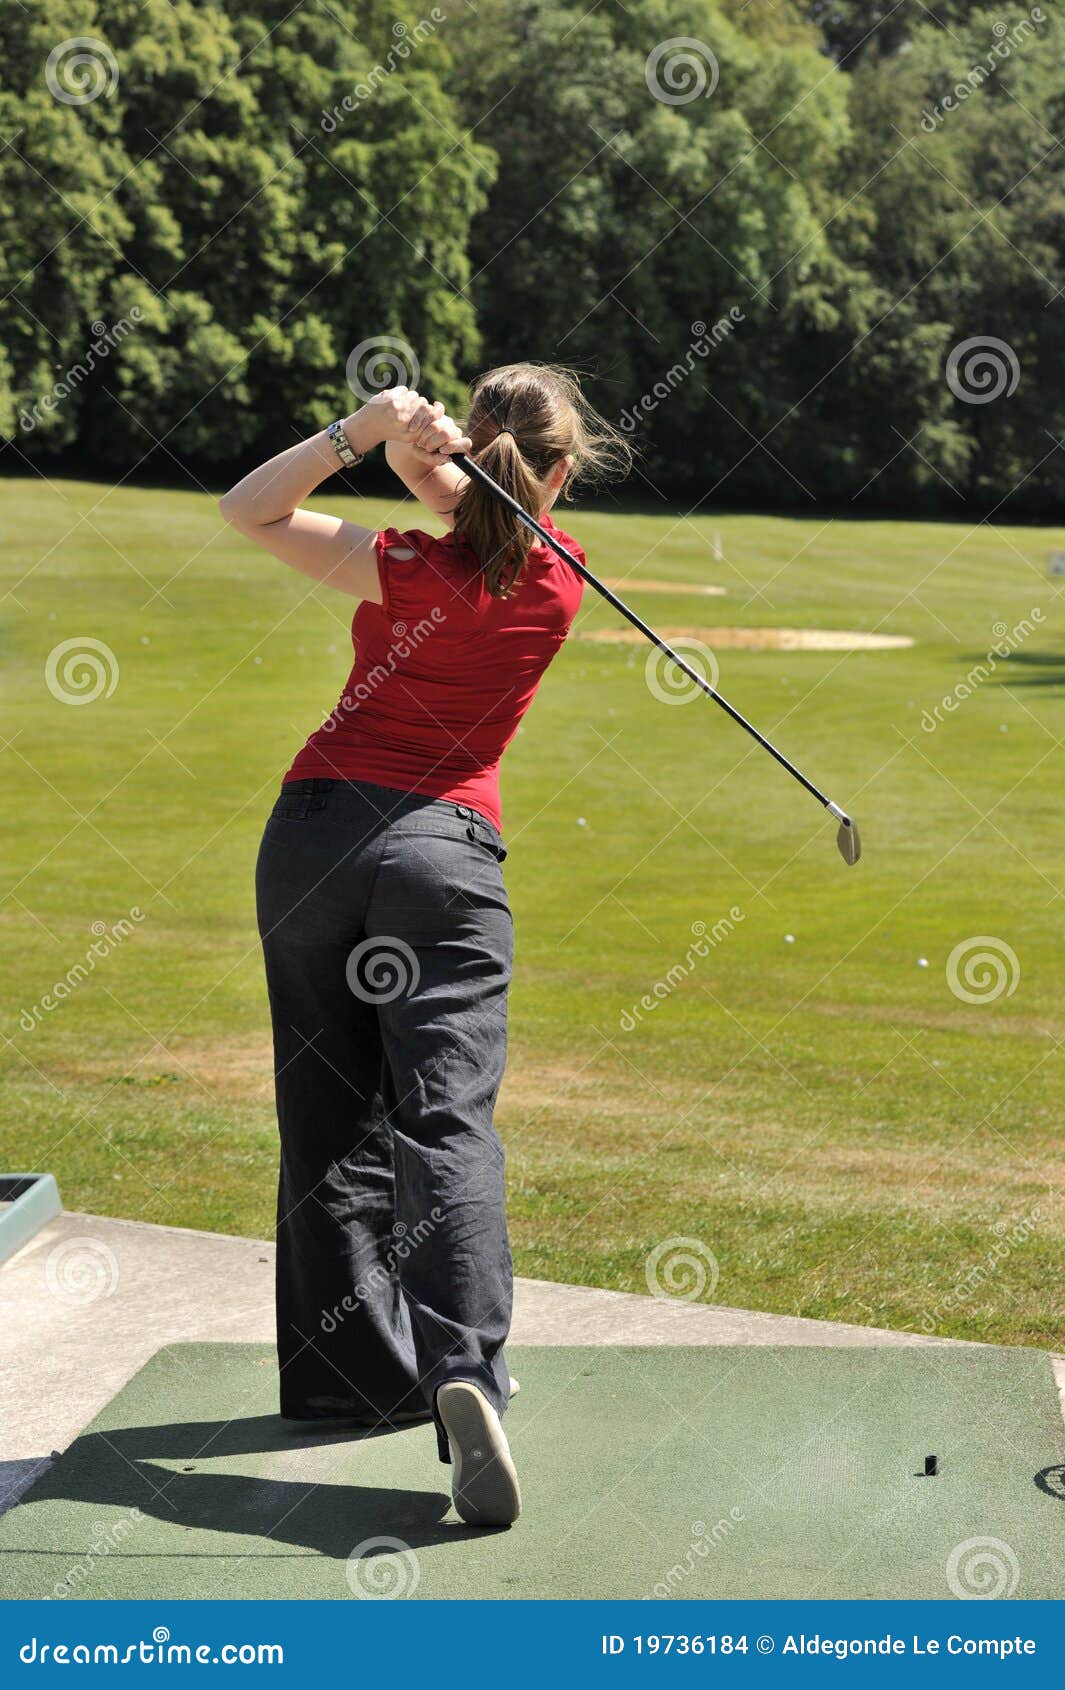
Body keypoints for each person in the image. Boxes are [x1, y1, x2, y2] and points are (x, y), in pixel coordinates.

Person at [219, 363, 628, 1526]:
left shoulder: (396, 562)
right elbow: (488, 507)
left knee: (326, 1106)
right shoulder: (563, 578)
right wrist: (432, 452)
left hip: (310, 842)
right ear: (560, 472)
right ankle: (462, 1369)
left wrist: (367, 428)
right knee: (442, 1117)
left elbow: (244, 507)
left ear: (473, 451)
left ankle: (355, 1377)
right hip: (444, 859)